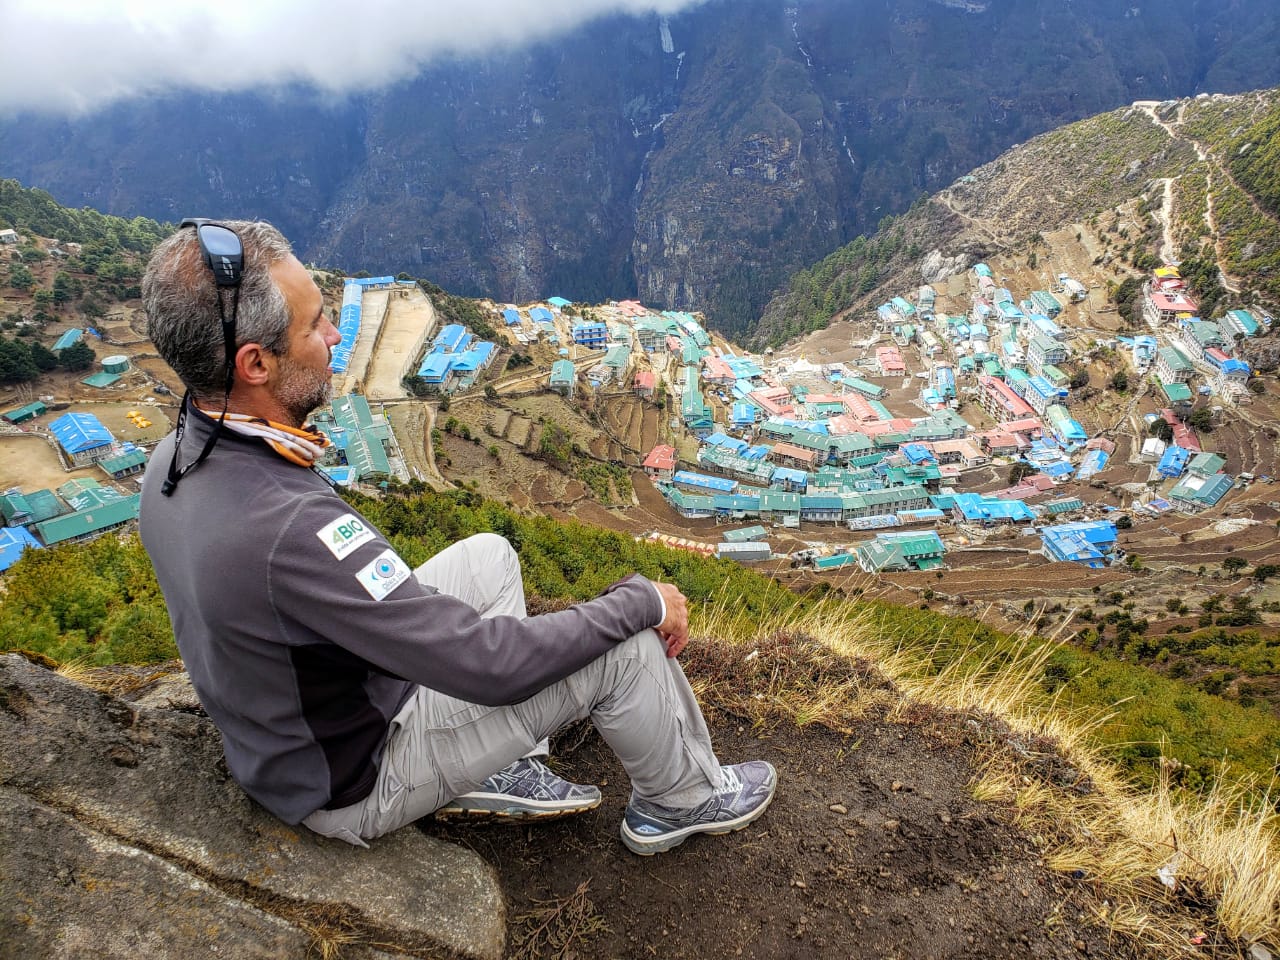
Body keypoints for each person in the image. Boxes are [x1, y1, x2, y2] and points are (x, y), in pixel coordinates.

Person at [138, 219, 776, 855]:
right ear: (255, 364)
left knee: (490, 557)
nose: (335, 336)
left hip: (298, 731)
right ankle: (680, 800)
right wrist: (641, 601)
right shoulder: (286, 529)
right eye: (313, 326)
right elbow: (491, 665)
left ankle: (496, 764)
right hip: (354, 778)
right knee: (627, 645)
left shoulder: (175, 457)